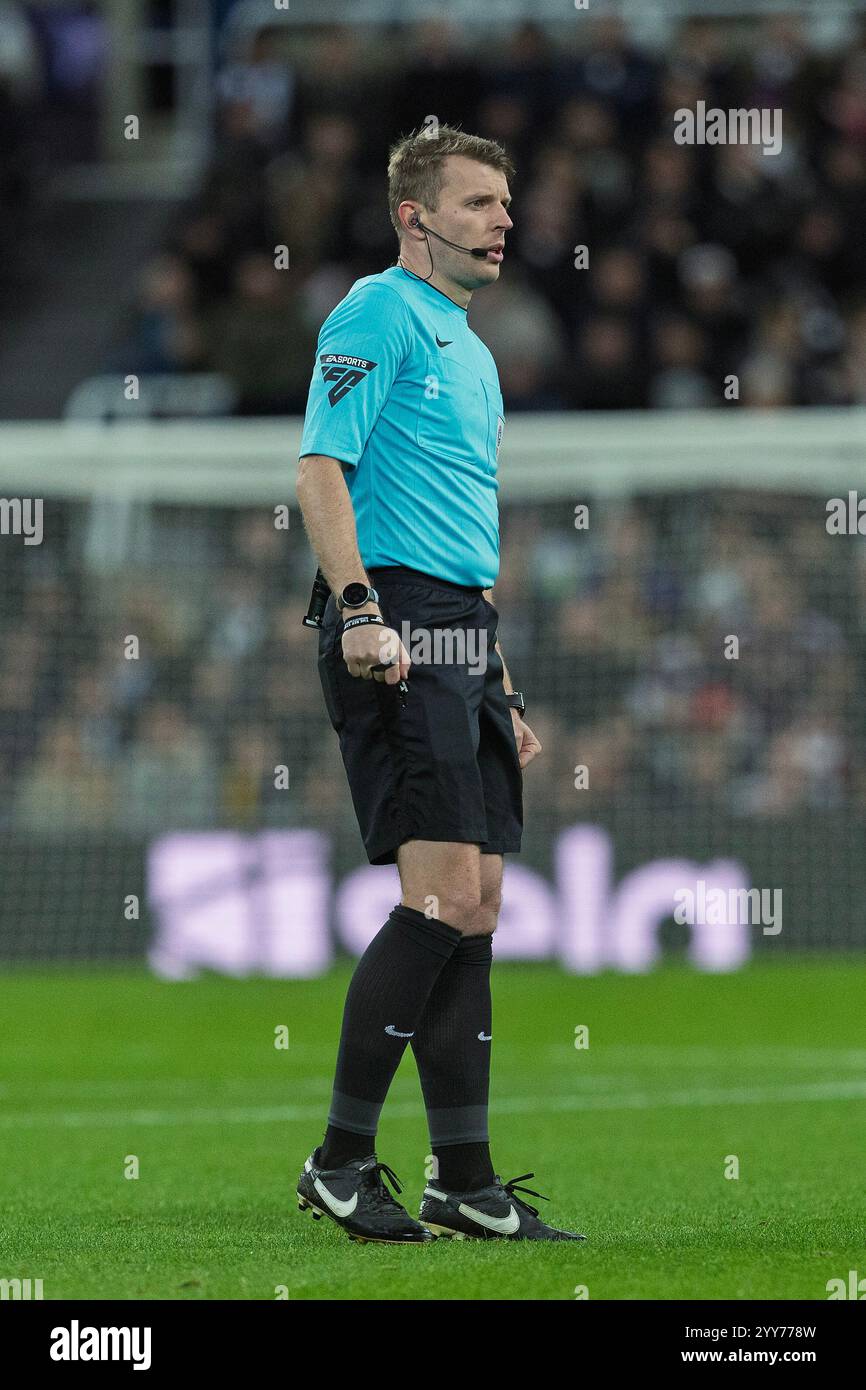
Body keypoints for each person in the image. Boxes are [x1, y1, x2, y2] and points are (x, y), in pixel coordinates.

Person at [295, 125, 584, 1243]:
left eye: (504, 203)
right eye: (475, 204)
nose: (502, 220)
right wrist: (359, 609)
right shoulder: (374, 313)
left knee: (478, 907)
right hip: (397, 619)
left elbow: (462, 527)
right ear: (415, 219)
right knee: (436, 900)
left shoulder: (471, 346)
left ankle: (461, 1181)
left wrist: (497, 672)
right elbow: (322, 467)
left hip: (459, 626)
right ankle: (336, 1160)